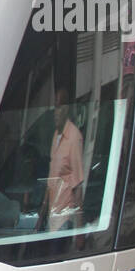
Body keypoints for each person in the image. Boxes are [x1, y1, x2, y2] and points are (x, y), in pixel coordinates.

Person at [46, 88, 84, 231]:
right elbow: (51, 178)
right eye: (55, 108)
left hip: (64, 218)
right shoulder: (56, 135)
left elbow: (78, 184)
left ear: (66, 109)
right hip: (52, 216)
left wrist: (79, 230)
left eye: (59, 107)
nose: (56, 113)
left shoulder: (74, 137)